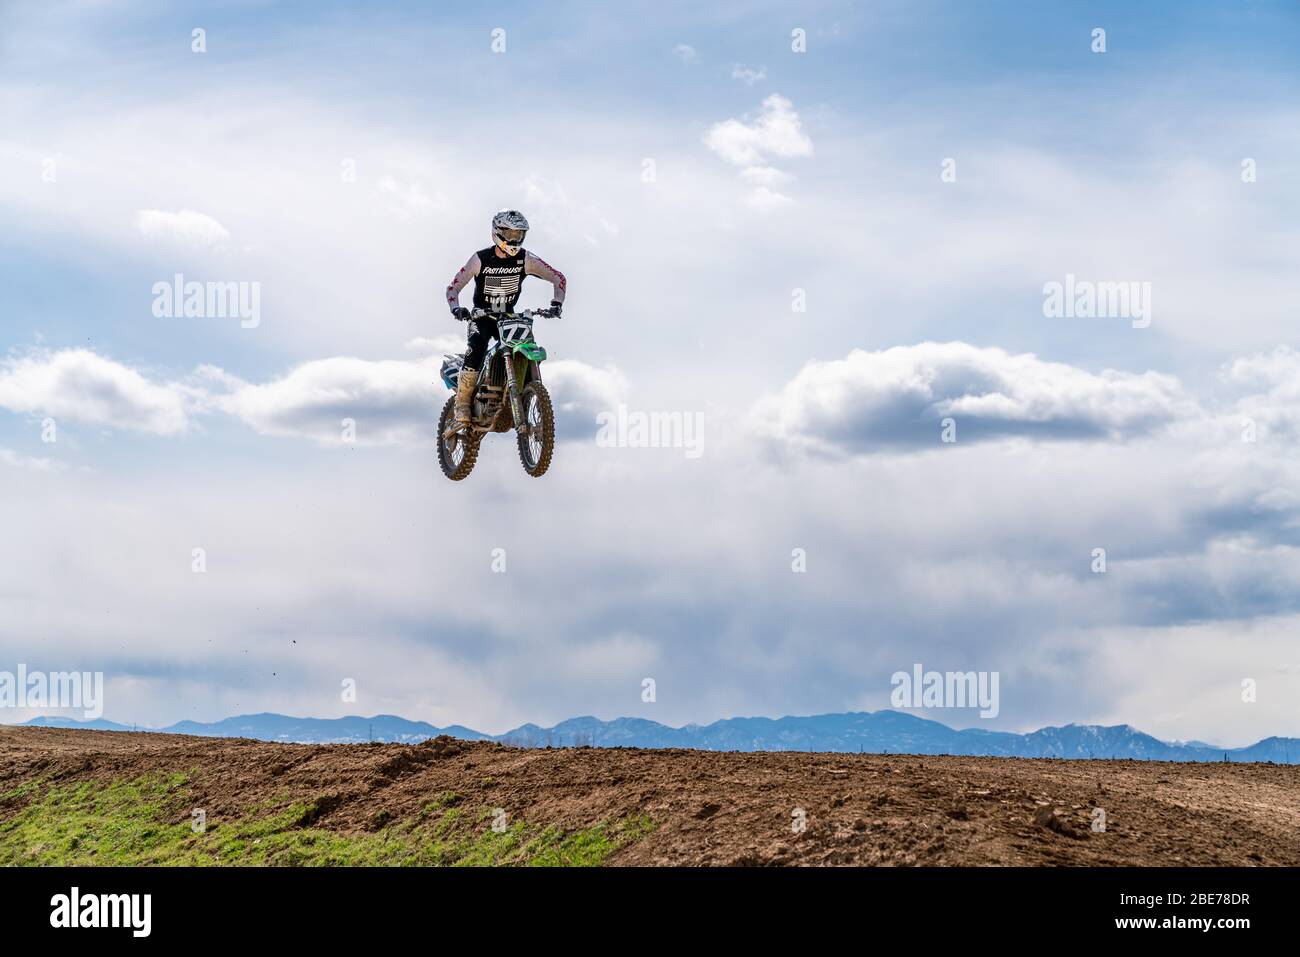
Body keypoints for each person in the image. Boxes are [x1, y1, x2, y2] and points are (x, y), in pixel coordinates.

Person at [443, 209, 566, 434]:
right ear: (497, 233)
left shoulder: (525, 259)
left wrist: (556, 304)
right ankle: (462, 405)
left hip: (509, 317)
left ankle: (525, 392)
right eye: (509, 233)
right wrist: (457, 308)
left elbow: (558, 278)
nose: (514, 239)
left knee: (525, 345)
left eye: (518, 234)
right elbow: (453, 287)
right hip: (481, 316)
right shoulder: (480, 259)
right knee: (477, 346)